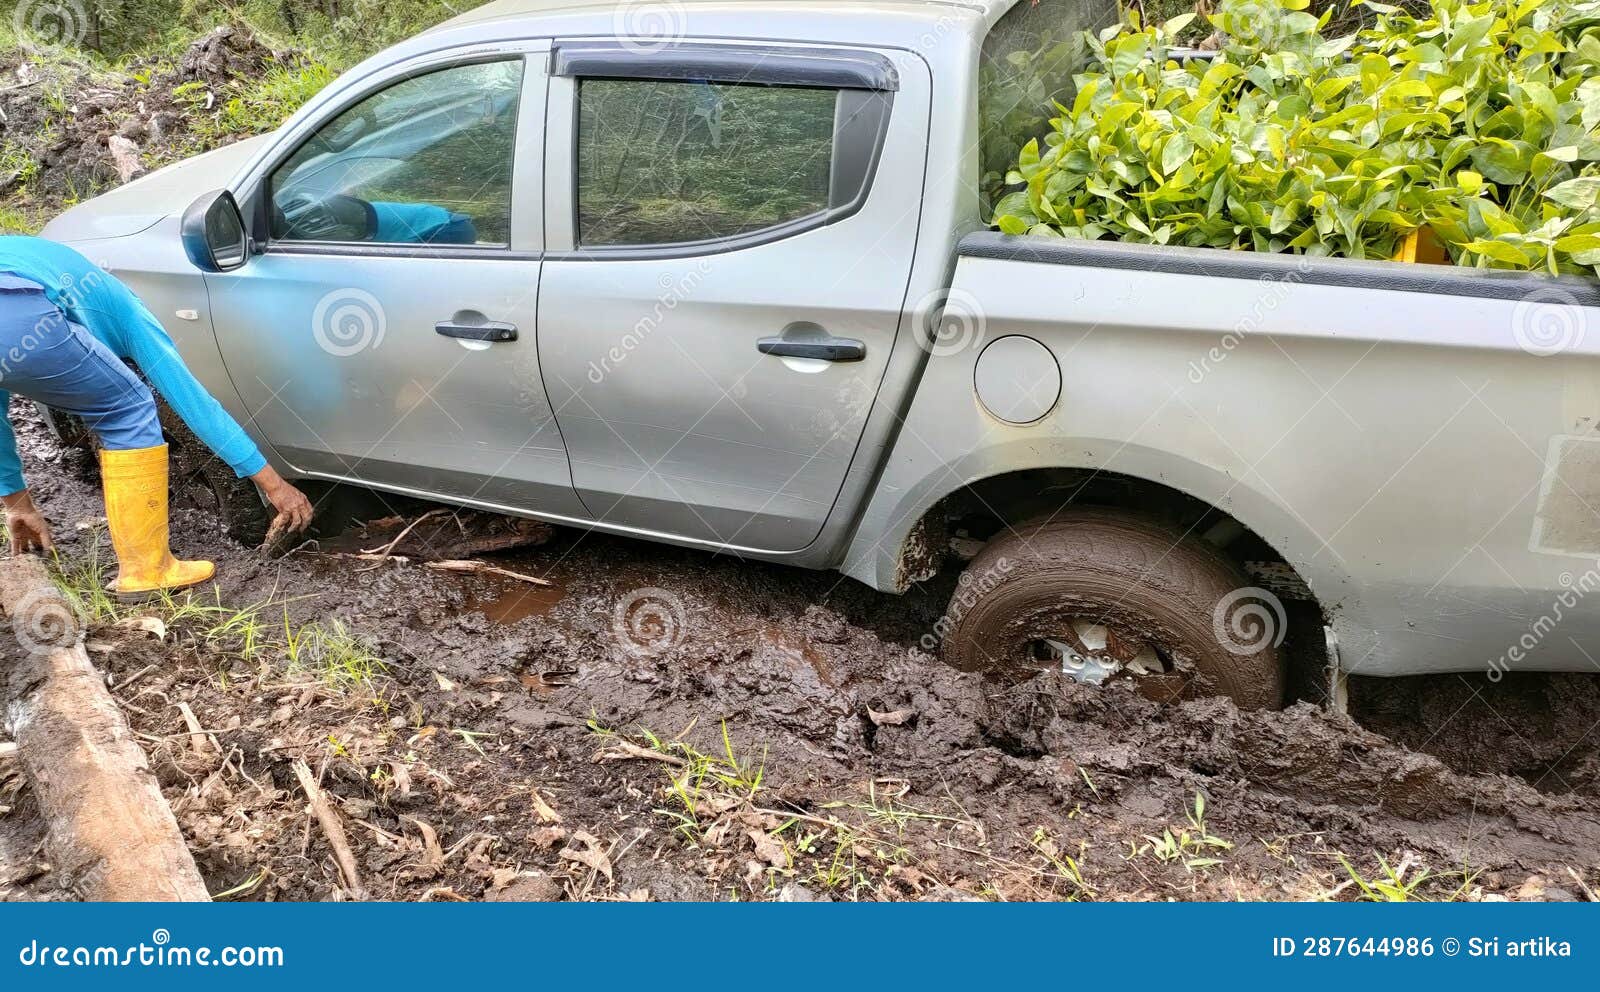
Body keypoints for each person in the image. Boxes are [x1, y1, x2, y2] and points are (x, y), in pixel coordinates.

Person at [0, 235, 314, 595]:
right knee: (126, 410)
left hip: (15, 303)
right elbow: (194, 403)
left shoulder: (45, 264)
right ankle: (146, 571)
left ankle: (140, 567)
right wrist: (275, 484)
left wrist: (16, 504)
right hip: (17, 307)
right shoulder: (129, 311)